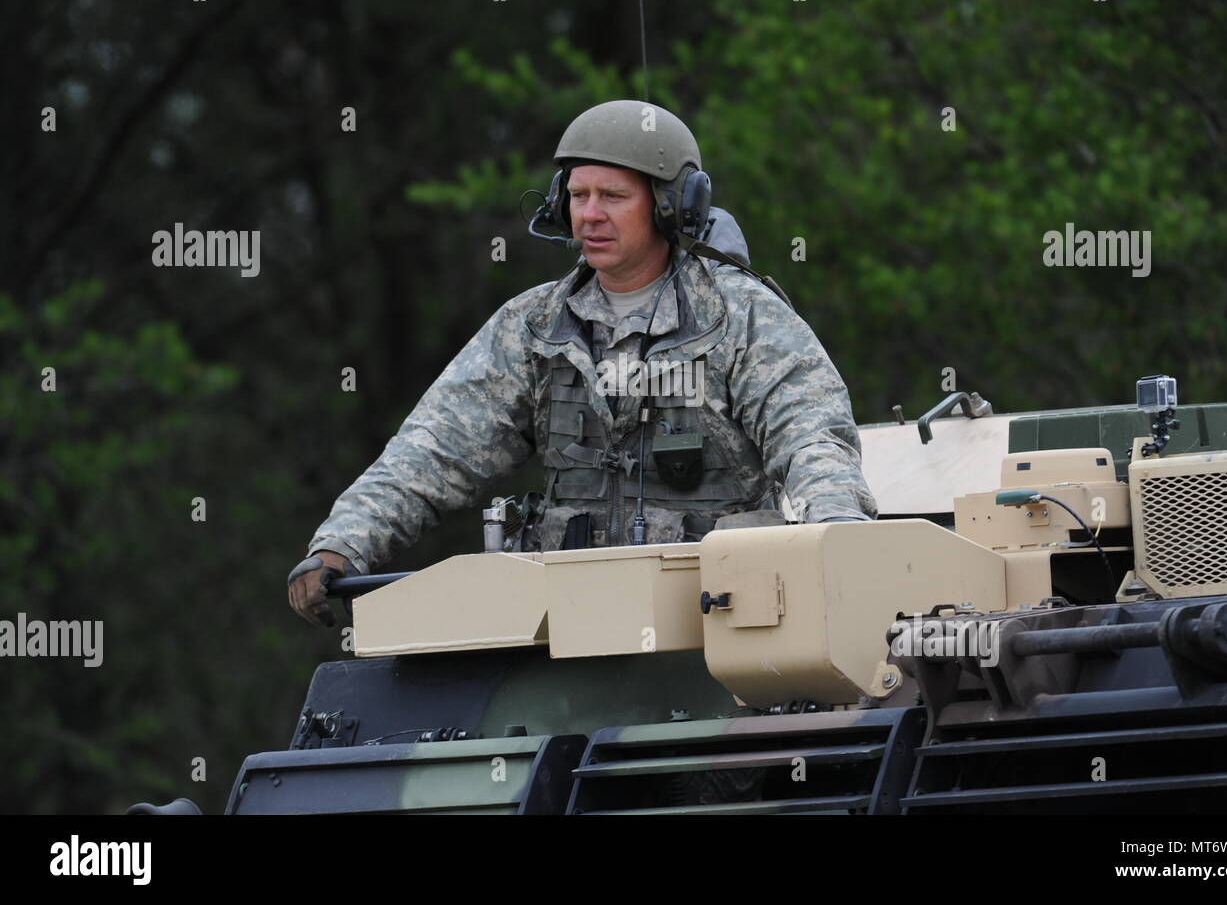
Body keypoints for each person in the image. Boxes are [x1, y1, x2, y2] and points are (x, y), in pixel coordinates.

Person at [289, 100, 876, 626]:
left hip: (722, 625)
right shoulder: (535, 327)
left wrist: (839, 540)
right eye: (577, 195)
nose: (589, 216)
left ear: (671, 207)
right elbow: (434, 449)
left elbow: (812, 438)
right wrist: (342, 545)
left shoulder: (740, 317)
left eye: (613, 197)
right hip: (570, 631)